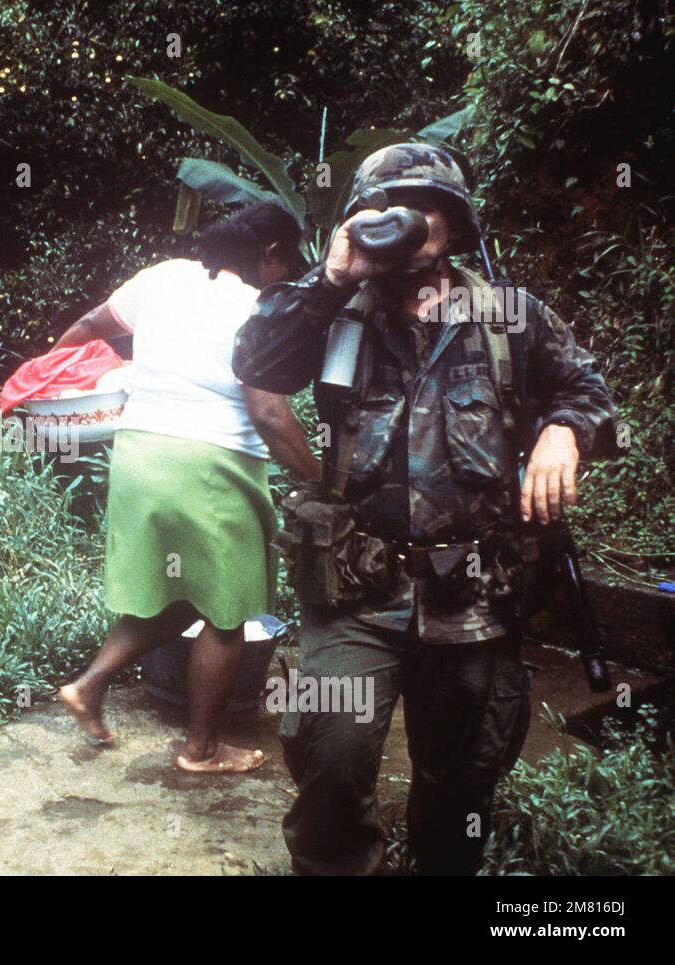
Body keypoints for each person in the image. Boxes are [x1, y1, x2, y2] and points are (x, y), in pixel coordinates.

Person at [234, 143, 618, 874]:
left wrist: (566, 432)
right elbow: (257, 365)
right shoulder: (333, 307)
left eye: (427, 203)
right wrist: (330, 277)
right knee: (332, 756)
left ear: (457, 220)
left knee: (464, 778)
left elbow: (590, 394)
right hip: (356, 586)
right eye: (390, 204)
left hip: (474, 593)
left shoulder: (508, 314)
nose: (410, 218)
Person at [54, 203, 320, 772]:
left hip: (140, 456)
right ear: (269, 253)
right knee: (229, 615)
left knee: (179, 594)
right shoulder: (261, 309)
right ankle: (201, 749)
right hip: (212, 466)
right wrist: (325, 479)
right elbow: (270, 415)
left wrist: (47, 383)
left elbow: (88, 328)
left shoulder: (161, 278)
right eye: (289, 258)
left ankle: (88, 686)